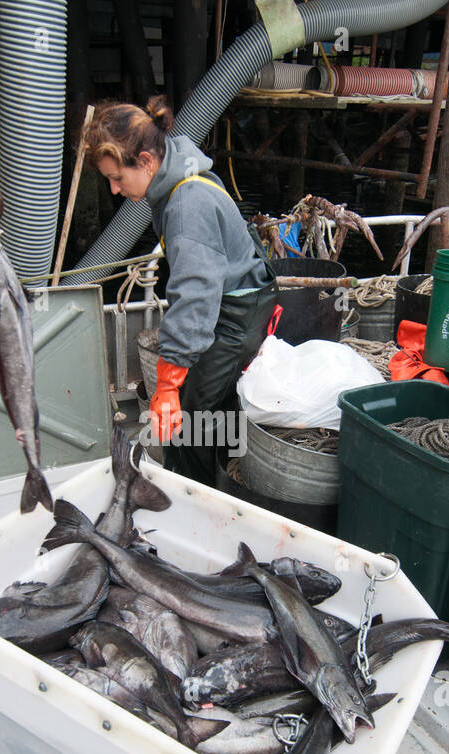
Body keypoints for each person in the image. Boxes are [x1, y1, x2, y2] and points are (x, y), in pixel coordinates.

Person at [83, 97, 278, 485]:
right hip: (243, 302)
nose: (114, 189)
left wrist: (168, 383)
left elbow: (195, 294)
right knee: (218, 407)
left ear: (146, 160)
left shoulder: (187, 203)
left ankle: (196, 502)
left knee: (191, 422)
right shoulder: (183, 171)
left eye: (118, 177)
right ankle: (227, 476)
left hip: (233, 315)